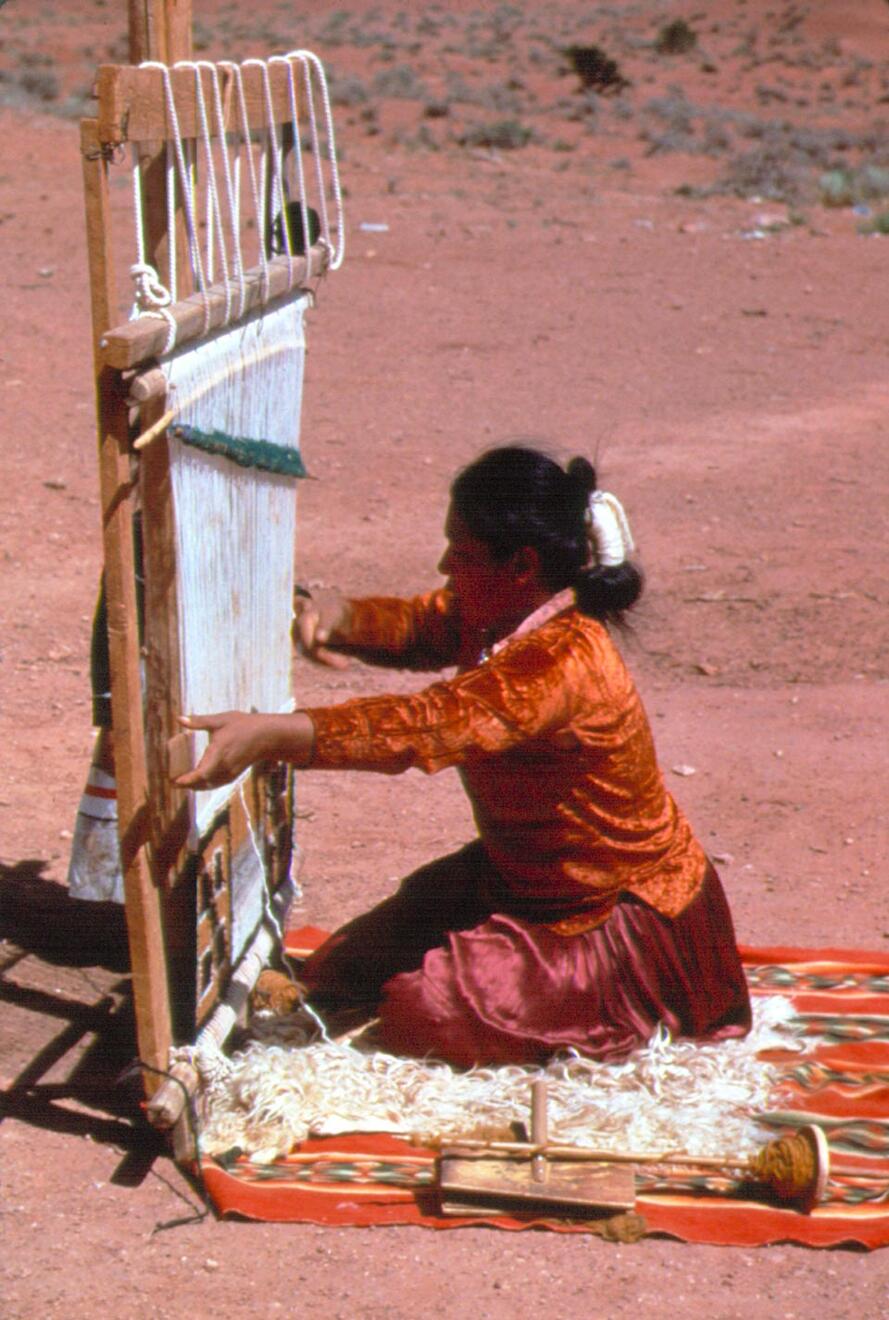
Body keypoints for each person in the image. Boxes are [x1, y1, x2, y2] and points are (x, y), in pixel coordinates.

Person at [176, 445, 751, 1068]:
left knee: (419, 1013)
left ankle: (613, 1008)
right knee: (342, 969)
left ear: (523, 565)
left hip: (615, 916)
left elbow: (428, 726)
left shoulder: (559, 663)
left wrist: (273, 736)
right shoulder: (502, 612)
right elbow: (425, 623)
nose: (445, 564)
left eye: (464, 552)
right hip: (523, 877)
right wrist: (338, 614)